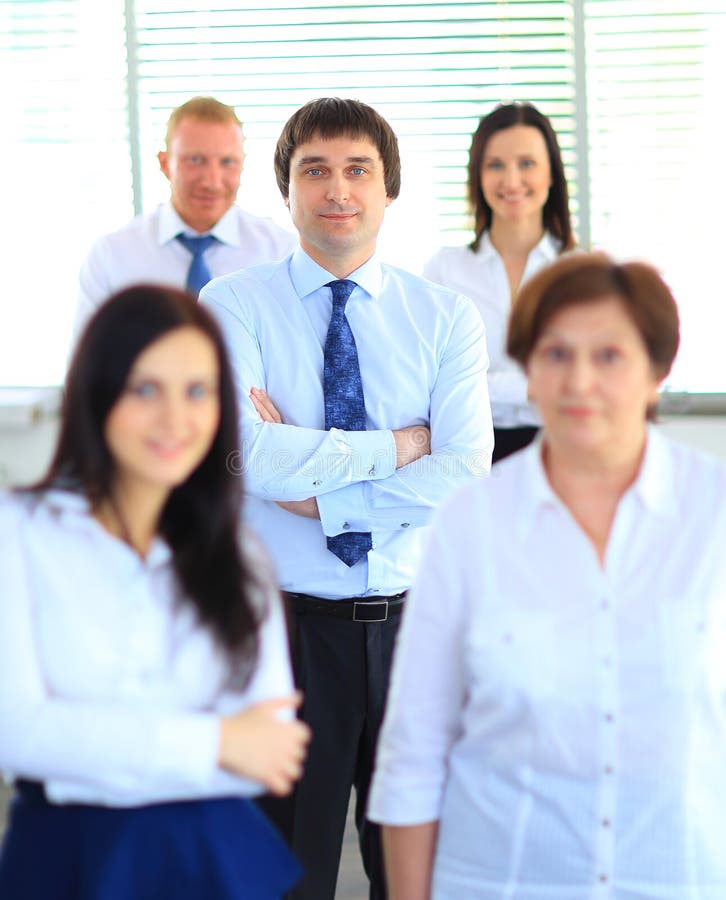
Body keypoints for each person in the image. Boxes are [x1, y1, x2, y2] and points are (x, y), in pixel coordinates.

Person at [200, 97, 493, 900]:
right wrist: (400, 446)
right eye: (315, 171)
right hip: (286, 636)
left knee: (421, 871)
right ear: (286, 191)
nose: (338, 190)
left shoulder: (444, 318)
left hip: (419, 631)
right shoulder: (231, 306)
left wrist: (321, 495)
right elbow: (248, 459)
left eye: (358, 169)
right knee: (285, 875)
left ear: (388, 188)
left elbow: (466, 469)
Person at [368, 251, 726, 899]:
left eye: (609, 356)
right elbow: (414, 754)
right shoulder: (469, 524)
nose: (579, 381)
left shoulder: (714, 514)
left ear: (657, 372)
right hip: (500, 882)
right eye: (556, 354)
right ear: (528, 373)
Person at [0, 285, 311, 900]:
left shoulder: (241, 558)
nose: (175, 420)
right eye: (146, 390)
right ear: (98, 393)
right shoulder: (20, 533)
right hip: (70, 859)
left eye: (197, 392)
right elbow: (20, 734)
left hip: (217, 858)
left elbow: (271, 753)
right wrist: (217, 743)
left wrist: (86, 748)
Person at [423, 102, 576, 463]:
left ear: (551, 173)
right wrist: (537, 386)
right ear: (477, 175)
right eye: (495, 165)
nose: (511, 181)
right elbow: (431, 383)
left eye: (527, 163)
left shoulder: (581, 274)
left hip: (564, 451)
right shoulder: (444, 271)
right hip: (463, 455)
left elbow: (580, 381)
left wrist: (479, 383)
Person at [74, 96, 297, 335]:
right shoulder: (112, 257)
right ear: (165, 163)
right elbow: (88, 366)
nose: (212, 181)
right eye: (195, 160)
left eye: (227, 161)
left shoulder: (282, 253)